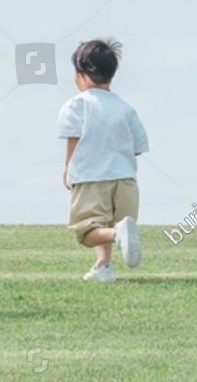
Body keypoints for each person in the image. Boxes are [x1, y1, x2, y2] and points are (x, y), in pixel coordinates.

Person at [56, 38, 148, 282]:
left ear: (82, 74)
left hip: (91, 177)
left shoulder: (76, 105)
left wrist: (68, 168)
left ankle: (118, 233)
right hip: (126, 180)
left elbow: (73, 139)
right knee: (106, 223)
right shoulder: (125, 108)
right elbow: (138, 148)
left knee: (87, 232)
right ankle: (103, 265)